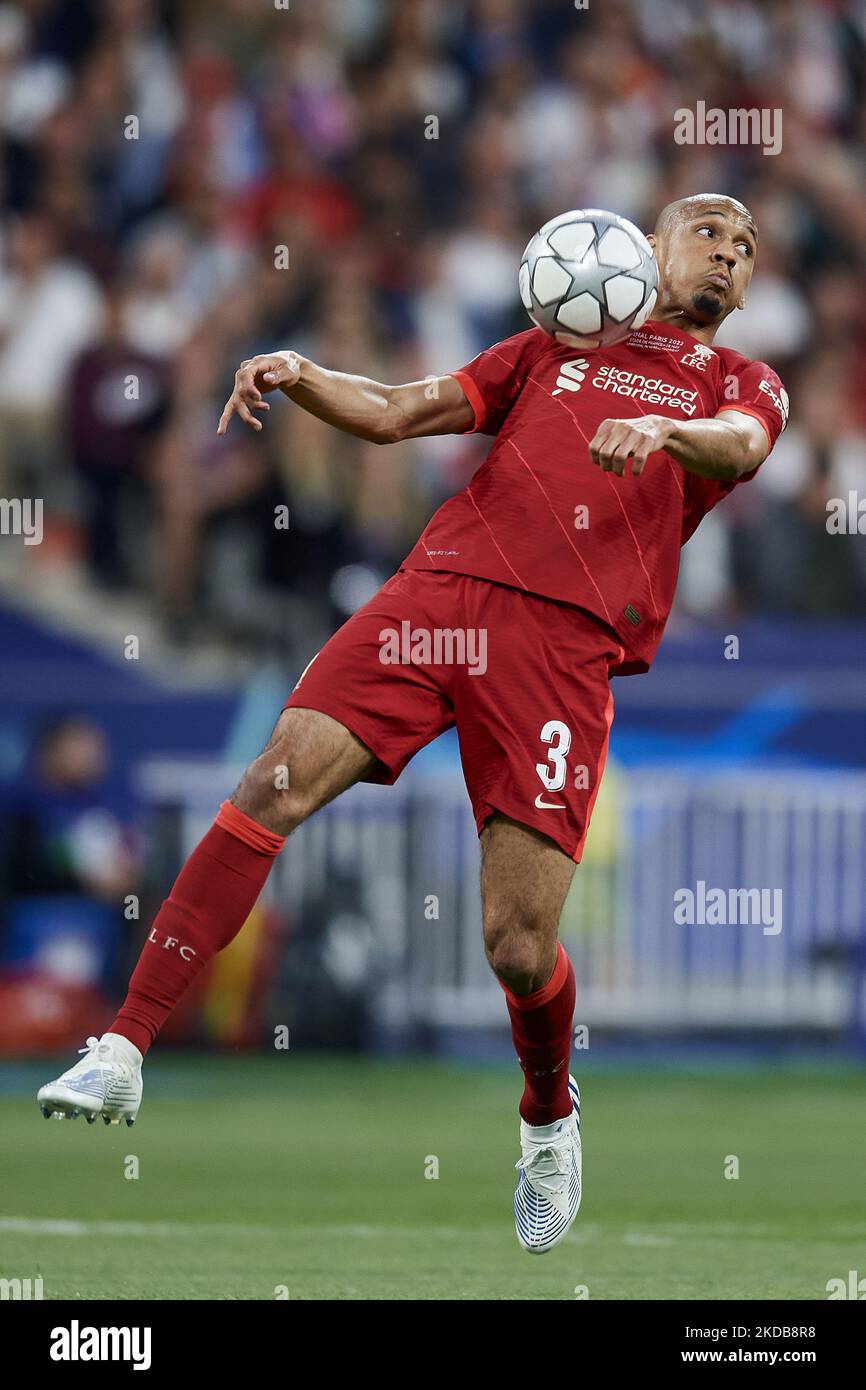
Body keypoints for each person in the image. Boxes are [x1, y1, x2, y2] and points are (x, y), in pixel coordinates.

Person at [38, 195, 788, 1255]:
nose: (728, 253)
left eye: (744, 247)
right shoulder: (544, 349)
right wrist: (303, 373)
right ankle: (124, 1044)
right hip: (439, 596)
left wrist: (666, 428)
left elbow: (738, 445)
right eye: (707, 232)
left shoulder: (738, 382)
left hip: (564, 647)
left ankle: (547, 1116)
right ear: (647, 247)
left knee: (517, 947)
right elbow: (398, 409)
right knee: (272, 781)